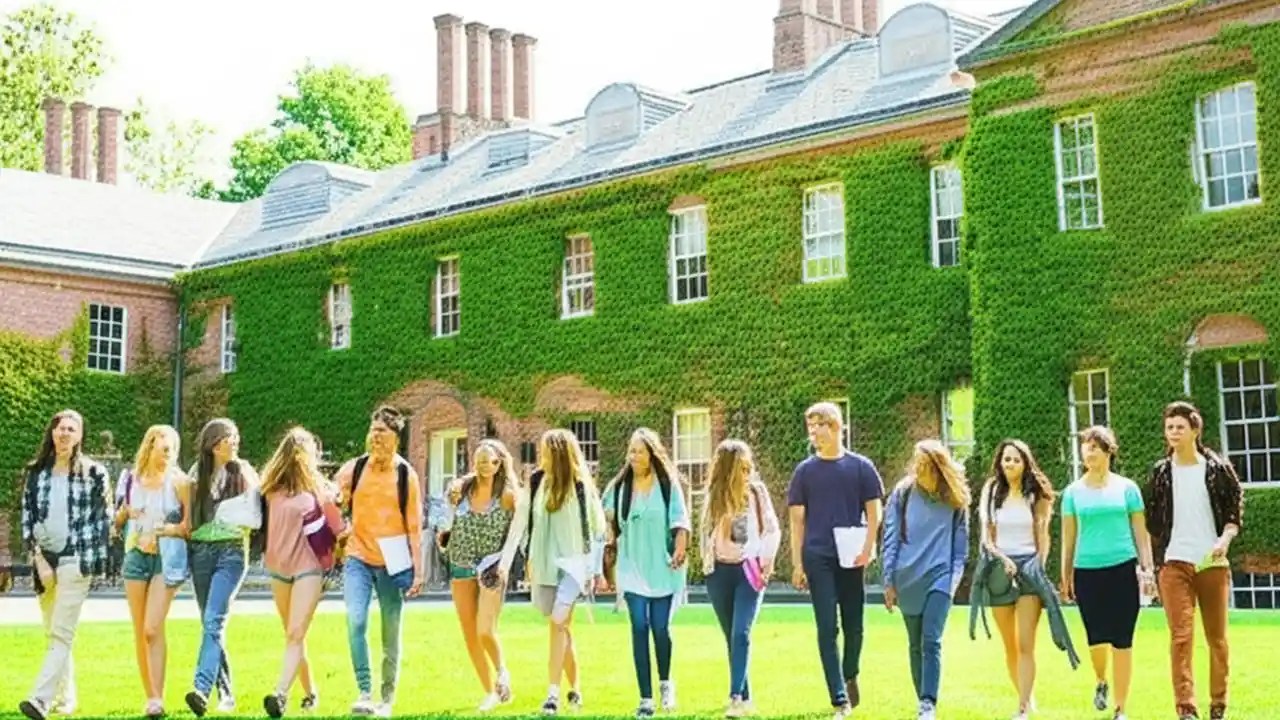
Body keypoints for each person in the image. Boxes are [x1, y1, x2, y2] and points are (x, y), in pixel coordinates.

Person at [1144, 401, 1243, 720]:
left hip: (1211, 562)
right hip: (1174, 563)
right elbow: (1149, 520)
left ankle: (1219, 703)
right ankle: (1186, 708)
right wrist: (1152, 564)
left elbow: (1233, 512)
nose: (1173, 432)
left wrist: (1224, 540)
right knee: (1181, 637)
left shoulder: (1216, 469)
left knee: (1217, 638)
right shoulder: (1160, 473)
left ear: (1195, 430)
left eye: (1179, 427)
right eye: (1169, 427)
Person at [787, 402, 884, 718]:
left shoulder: (861, 467)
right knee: (827, 627)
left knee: (854, 627)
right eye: (810, 427)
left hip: (851, 556)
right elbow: (796, 521)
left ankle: (850, 671)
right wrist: (798, 563)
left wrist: (868, 548)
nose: (813, 432)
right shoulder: (804, 472)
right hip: (818, 557)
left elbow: (874, 513)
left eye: (819, 425)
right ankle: (839, 698)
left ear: (836, 427)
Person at [16, 410, 114, 720]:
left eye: (71, 429)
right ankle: (67, 699)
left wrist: (86, 555)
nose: (64, 434)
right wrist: (40, 561)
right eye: (60, 428)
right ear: (52, 433)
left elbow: (105, 519)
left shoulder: (94, 473)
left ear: (79, 436)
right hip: (45, 560)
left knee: (60, 632)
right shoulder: (36, 473)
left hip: (76, 560)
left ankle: (39, 700)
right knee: (56, 632)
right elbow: (27, 520)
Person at [501, 428, 607, 716]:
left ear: (558, 453)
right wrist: (508, 562)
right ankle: (576, 687)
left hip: (574, 568)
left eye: (545, 449)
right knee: (561, 627)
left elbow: (598, 530)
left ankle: (552, 694)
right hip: (545, 565)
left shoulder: (581, 487)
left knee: (557, 624)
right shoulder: (536, 483)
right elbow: (521, 523)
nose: (540, 455)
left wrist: (596, 570)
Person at [333, 406, 424, 717]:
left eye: (382, 432)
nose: (375, 437)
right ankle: (364, 690)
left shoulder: (405, 475)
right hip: (358, 556)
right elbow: (334, 503)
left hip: (393, 561)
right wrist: (337, 513)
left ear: (395, 437)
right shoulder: (354, 469)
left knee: (390, 629)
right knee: (355, 619)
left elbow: (414, 525)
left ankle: (386, 698)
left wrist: (419, 570)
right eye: (372, 431)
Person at [1060, 426, 1156, 720]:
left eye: (1094, 448)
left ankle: (1121, 708)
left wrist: (1147, 568)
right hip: (1087, 571)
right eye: (1085, 448)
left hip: (1123, 569)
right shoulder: (1072, 493)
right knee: (1097, 638)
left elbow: (1141, 533)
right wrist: (1065, 576)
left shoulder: (1127, 488)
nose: (1088, 453)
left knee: (1123, 639)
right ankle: (1101, 680)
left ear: (1108, 452)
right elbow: (1069, 538)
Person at [602, 428, 691, 719]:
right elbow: (605, 518)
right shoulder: (620, 487)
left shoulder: (667, 485)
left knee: (660, 629)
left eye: (639, 451)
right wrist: (606, 541)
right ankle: (646, 698)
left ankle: (665, 682)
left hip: (662, 568)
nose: (634, 456)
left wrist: (679, 549)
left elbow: (680, 523)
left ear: (652, 453)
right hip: (631, 567)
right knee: (639, 626)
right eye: (631, 451)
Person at [259, 427, 346, 719]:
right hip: (279, 569)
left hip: (309, 569)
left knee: (296, 632)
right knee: (293, 635)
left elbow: (339, 530)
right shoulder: (270, 489)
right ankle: (310, 693)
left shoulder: (320, 492)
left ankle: (279, 694)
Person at [881, 440, 970, 720]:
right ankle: (923, 700)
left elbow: (961, 549)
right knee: (915, 644)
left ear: (937, 466)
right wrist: (888, 580)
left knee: (931, 639)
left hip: (941, 578)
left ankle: (928, 704)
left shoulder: (956, 498)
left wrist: (953, 582)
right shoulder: (903, 493)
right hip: (907, 578)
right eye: (915, 462)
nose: (916, 468)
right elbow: (891, 538)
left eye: (923, 464)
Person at [184, 418, 262, 717]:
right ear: (215, 443)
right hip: (201, 552)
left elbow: (254, 516)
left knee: (214, 620)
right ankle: (226, 693)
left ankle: (201, 689)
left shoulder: (243, 472)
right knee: (210, 624)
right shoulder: (197, 472)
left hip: (231, 552)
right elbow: (189, 515)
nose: (236, 442)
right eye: (231, 437)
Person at [975, 439, 1057, 720]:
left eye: (1015, 459)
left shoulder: (1036, 494)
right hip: (999, 568)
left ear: (1025, 463)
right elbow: (986, 536)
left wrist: (1038, 565)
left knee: (1025, 643)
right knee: (1009, 643)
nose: (1009, 464)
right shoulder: (991, 490)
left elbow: (1044, 535)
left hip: (1029, 569)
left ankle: (1022, 707)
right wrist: (1000, 558)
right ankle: (1026, 693)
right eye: (1006, 459)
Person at [438, 439, 522, 711]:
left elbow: (518, 532)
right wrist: (444, 532)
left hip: (491, 566)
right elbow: (444, 518)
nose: (484, 466)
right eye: (479, 461)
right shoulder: (461, 488)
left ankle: (502, 672)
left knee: (485, 629)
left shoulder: (509, 495)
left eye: (489, 461)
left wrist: (506, 563)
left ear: (500, 464)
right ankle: (490, 692)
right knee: (469, 633)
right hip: (460, 561)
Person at [115, 424, 192, 719]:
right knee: (140, 631)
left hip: (165, 559)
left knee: (151, 627)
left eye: (171, 451)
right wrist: (123, 514)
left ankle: (157, 694)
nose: (167, 457)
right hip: (135, 557)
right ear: (149, 447)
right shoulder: (130, 479)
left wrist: (167, 529)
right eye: (162, 450)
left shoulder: (180, 483)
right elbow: (118, 520)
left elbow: (190, 528)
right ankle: (153, 698)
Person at [699, 439, 780, 718]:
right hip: (720, 572)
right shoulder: (714, 496)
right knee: (730, 637)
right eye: (742, 468)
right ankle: (745, 698)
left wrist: (766, 562)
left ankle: (734, 697)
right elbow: (708, 538)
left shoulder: (757, 493)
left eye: (750, 468)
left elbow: (771, 529)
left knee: (741, 632)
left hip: (750, 570)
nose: (748, 474)